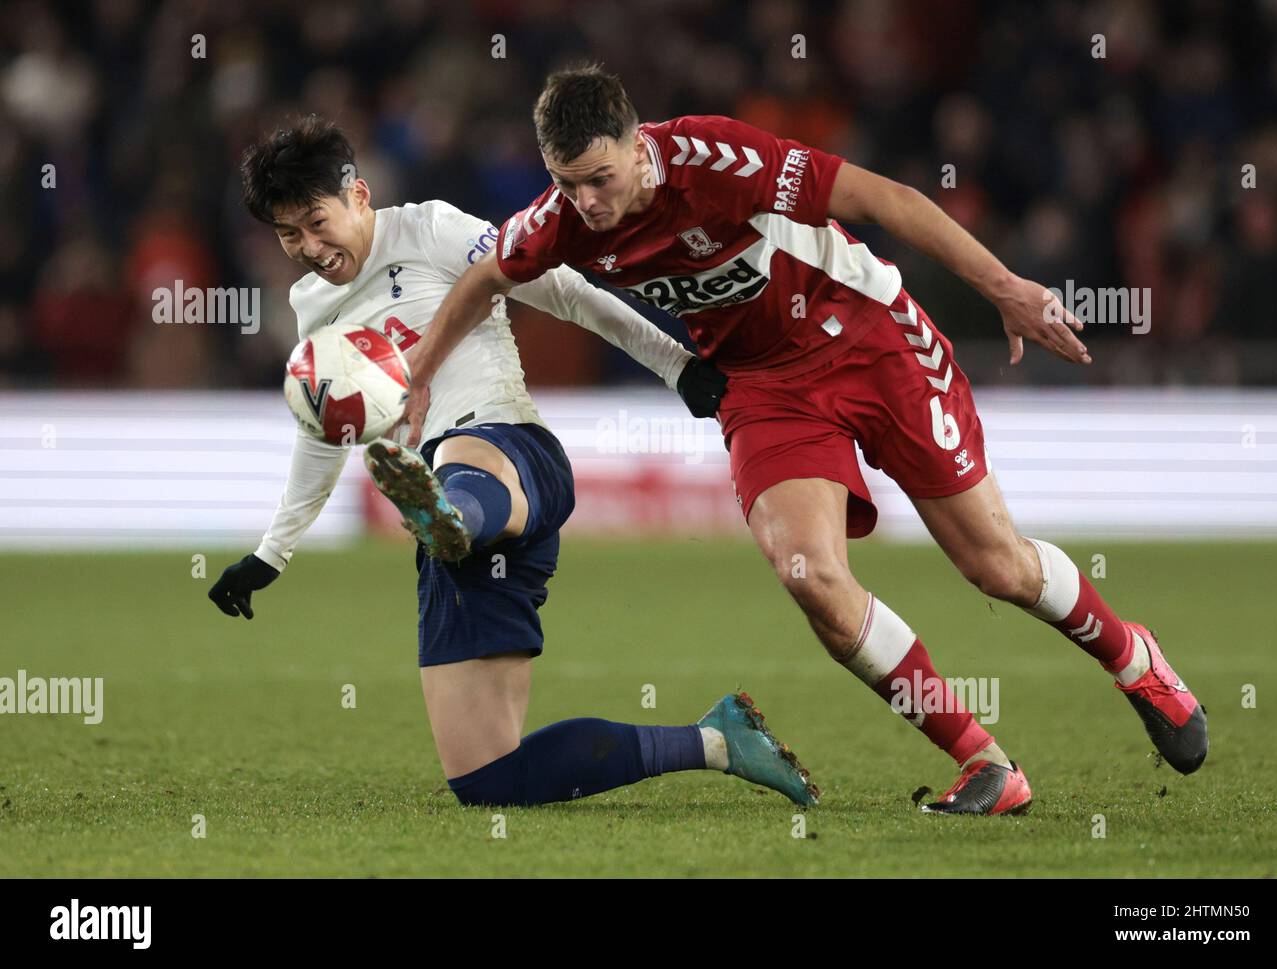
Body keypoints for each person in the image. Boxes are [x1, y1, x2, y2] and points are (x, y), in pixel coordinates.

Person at [398, 66, 1208, 816]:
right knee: (811, 575)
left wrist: (1008, 289)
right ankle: (982, 761)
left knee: (995, 565)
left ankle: (1133, 656)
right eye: (566, 184)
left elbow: (886, 200)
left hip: (869, 338)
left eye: (600, 179)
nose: (587, 203)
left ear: (639, 150)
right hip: (764, 385)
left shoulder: (722, 159)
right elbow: (485, 277)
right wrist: (422, 372)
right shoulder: (561, 221)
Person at [208, 115, 819, 808]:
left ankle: (452, 513)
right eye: (289, 235)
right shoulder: (312, 307)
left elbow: (559, 288)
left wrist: (675, 366)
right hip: (456, 530)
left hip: (508, 447)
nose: (310, 248)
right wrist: (272, 553)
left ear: (358, 194)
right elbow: (322, 432)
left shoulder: (431, 229)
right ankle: (716, 741)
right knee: (488, 778)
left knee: (459, 466)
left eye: (316, 222)